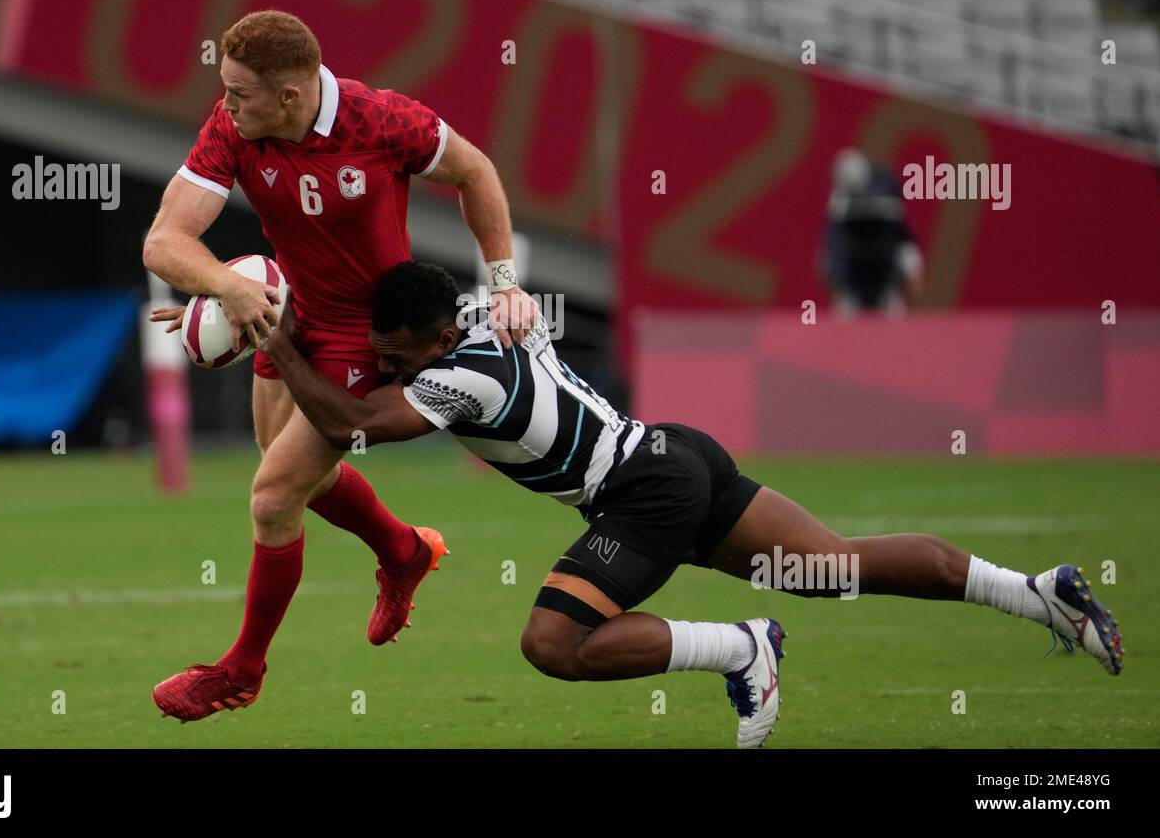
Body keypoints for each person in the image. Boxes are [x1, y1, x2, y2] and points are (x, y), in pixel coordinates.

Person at [258, 260, 1124, 748]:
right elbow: (391, 344)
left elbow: (353, 420)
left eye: (402, 355)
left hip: (639, 492)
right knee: (836, 568)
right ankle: (1035, 591)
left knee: (552, 644)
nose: (395, 367)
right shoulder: (488, 309)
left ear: (442, 340)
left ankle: (740, 649)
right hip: (678, 453)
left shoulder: (460, 379)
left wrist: (276, 346)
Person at [142, 11, 539, 722]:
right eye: (225, 91)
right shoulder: (233, 127)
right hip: (293, 314)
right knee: (296, 474)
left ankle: (242, 669)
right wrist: (230, 287)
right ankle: (401, 548)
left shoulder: (380, 122)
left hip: (369, 336)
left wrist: (504, 281)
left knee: (272, 498)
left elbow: (475, 169)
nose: (226, 106)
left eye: (240, 93)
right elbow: (165, 242)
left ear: (290, 96)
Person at [820, 148, 924, 316]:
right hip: (853, 283)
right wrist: (833, 273)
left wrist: (913, 272)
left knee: (893, 331)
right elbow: (832, 248)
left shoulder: (887, 207)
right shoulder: (839, 210)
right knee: (845, 330)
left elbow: (904, 241)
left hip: (885, 281)